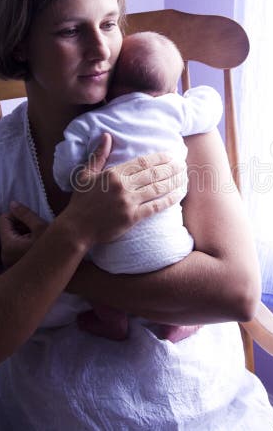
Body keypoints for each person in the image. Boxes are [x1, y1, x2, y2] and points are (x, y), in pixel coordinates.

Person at [0, 0, 273, 429]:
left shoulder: (175, 128)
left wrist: (49, 262)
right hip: (53, 415)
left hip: (202, 408)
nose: (102, 50)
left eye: (110, 24)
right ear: (18, 44)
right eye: (71, 30)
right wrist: (77, 229)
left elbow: (238, 292)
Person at [50, 31, 223, 342]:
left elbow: (64, 169)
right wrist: (195, 95)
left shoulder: (91, 123)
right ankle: (179, 322)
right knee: (188, 250)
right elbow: (209, 108)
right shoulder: (172, 109)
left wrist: (75, 178)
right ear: (169, 89)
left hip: (109, 261)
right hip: (171, 250)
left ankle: (112, 320)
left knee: (97, 274)